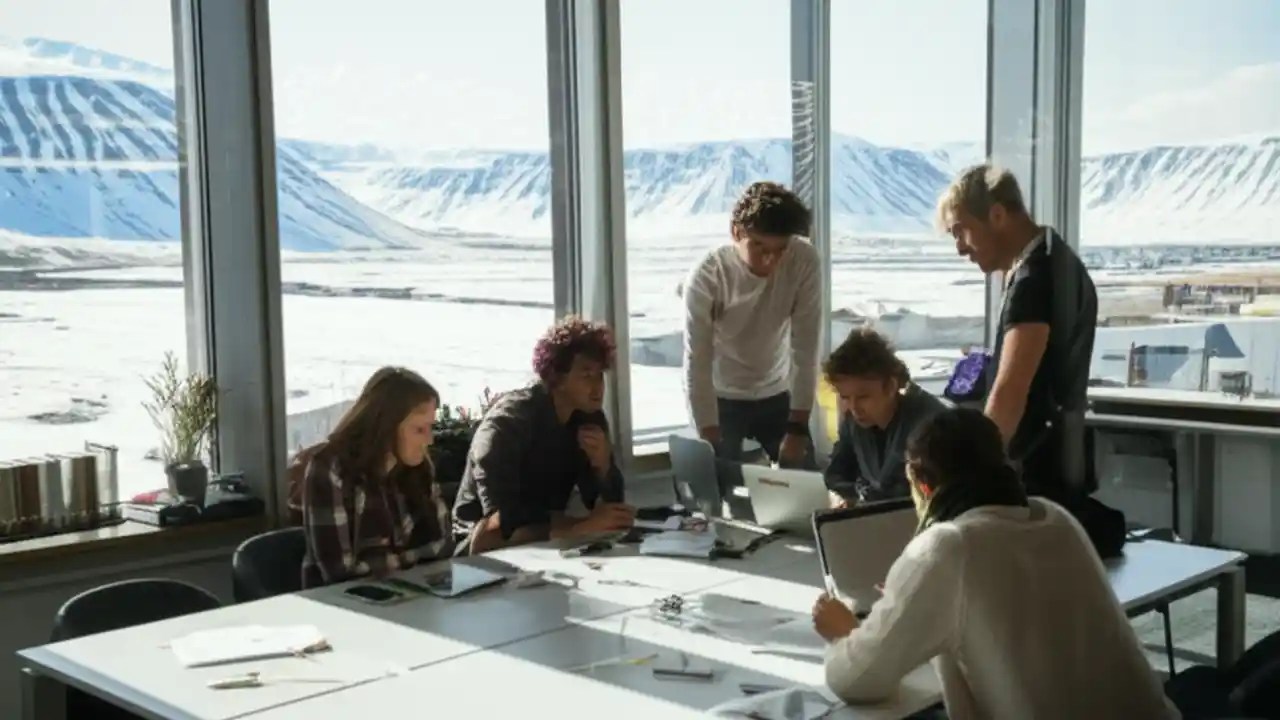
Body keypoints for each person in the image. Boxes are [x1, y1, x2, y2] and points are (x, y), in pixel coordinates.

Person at [811, 408, 1176, 719]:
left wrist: (846, 632)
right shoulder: (1055, 517)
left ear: (922, 486)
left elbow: (857, 680)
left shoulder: (947, 547)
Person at [936, 163, 1098, 502]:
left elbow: (1011, 390)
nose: (960, 248)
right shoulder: (1060, 261)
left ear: (997, 215)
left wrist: (978, 477)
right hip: (1063, 464)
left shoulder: (1033, 281)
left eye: (961, 231)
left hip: (1035, 477)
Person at [452, 316, 633, 554]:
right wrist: (580, 526)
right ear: (557, 378)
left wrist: (603, 466)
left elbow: (605, 506)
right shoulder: (509, 422)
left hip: (546, 547)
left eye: (600, 375)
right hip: (478, 550)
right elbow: (501, 522)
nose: (598, 387)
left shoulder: (587, 417)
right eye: (586, 375)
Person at [683, 181, 821, 468]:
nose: (770, 258)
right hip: (722, 395)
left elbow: (806, 347)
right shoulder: (707, 276)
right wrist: (708, 434)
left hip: (777, 391)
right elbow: (697, 361)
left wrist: (797, 426)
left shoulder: (803, 260)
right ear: (736, 232)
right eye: (758, 245)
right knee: (719, 484)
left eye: (780, 248)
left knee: (804, 481)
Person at [300, 367, 452, 588]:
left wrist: (388, 563)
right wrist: (412, 559)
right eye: (419, 430)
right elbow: (340, 571)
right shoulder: (330, 469)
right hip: (343, 606)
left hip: (411, 595)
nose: (429, 440)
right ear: (386, 427)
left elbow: (443, 546)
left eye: (431, 428)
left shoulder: (418, 466)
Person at [823, 327, 948, 508]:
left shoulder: (931, 426)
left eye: (863, 397)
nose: (853, 407)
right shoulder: (854, 420)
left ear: (890, 386)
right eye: (844, 397)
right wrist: (843, 497)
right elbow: (836, 473)